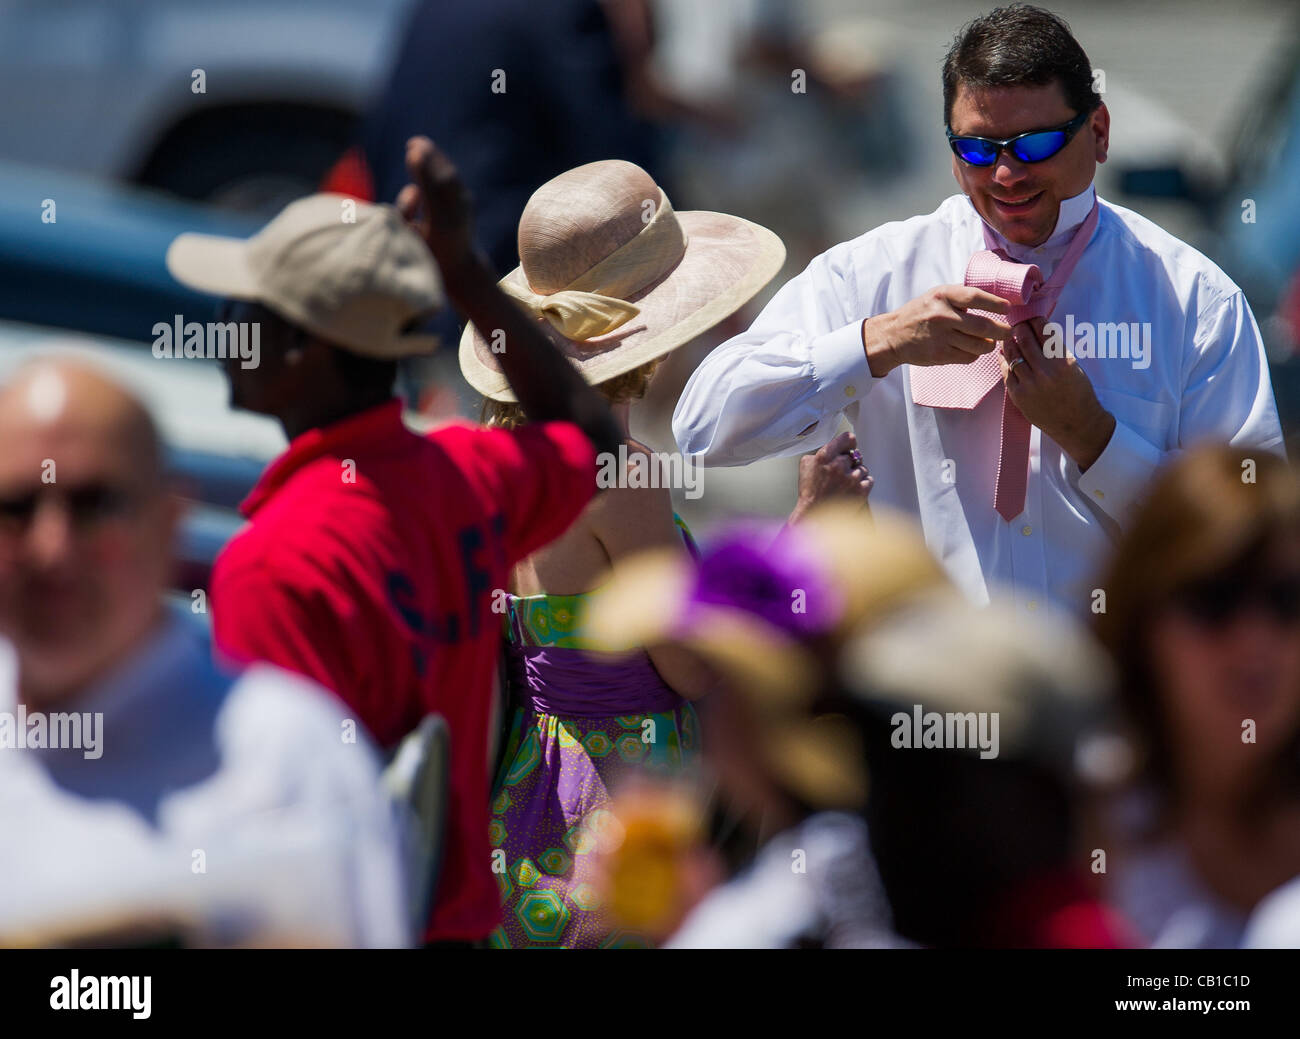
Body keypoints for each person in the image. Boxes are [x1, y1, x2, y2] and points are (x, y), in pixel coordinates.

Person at [672, 4, 1284, 617]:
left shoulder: (1191, 298)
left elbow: (1248, 535)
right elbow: (703, 432)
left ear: (1098, 131)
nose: (1007, 173)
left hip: (1104, 691)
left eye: (1036, 144)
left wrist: (1096, 439)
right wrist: (876, 343)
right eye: (976, 148)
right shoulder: (874, 275)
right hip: (926, 687)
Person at [165, 138, 625, 945]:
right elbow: (592, 438)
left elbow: (283, 833)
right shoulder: (467, 475)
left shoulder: (271, 563)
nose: (223, 330)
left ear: (305, 351)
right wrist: (464, 272)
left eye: (246, 315)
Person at [456, 157, 849, 946]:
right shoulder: (620, 475)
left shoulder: (511, 455)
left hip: (533, 791)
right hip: (618, 799)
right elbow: (692, 662)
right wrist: (806, 525)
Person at [0, 359, 407, 947]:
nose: (52, 549)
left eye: (95, 506)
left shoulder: (289, 759)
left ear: (169, 524)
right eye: (15, 509)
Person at [1093, 445, 1300, 947]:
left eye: (1286, 600)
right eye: (1214, 600)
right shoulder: (1079, 827)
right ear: (1141, 624)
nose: (1255, 642)